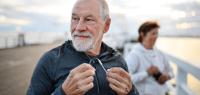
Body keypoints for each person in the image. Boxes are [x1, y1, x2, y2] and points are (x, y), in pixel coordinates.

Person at [27, 0, 139, 95]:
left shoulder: (118, 60)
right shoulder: (50, 60)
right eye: (75, 18)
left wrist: (131, 91)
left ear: (106, 25)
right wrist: (62, 92)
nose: (79, 27)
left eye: (89, 19)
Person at [125, 21, 174, 95]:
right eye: (153, 33)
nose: (156, 36)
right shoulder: (134, 54)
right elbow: (127, 79)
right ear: (142, 34)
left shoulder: (160, 53)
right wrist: (147, 73)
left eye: (157, 33)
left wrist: (167, 77)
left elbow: (171, 72)